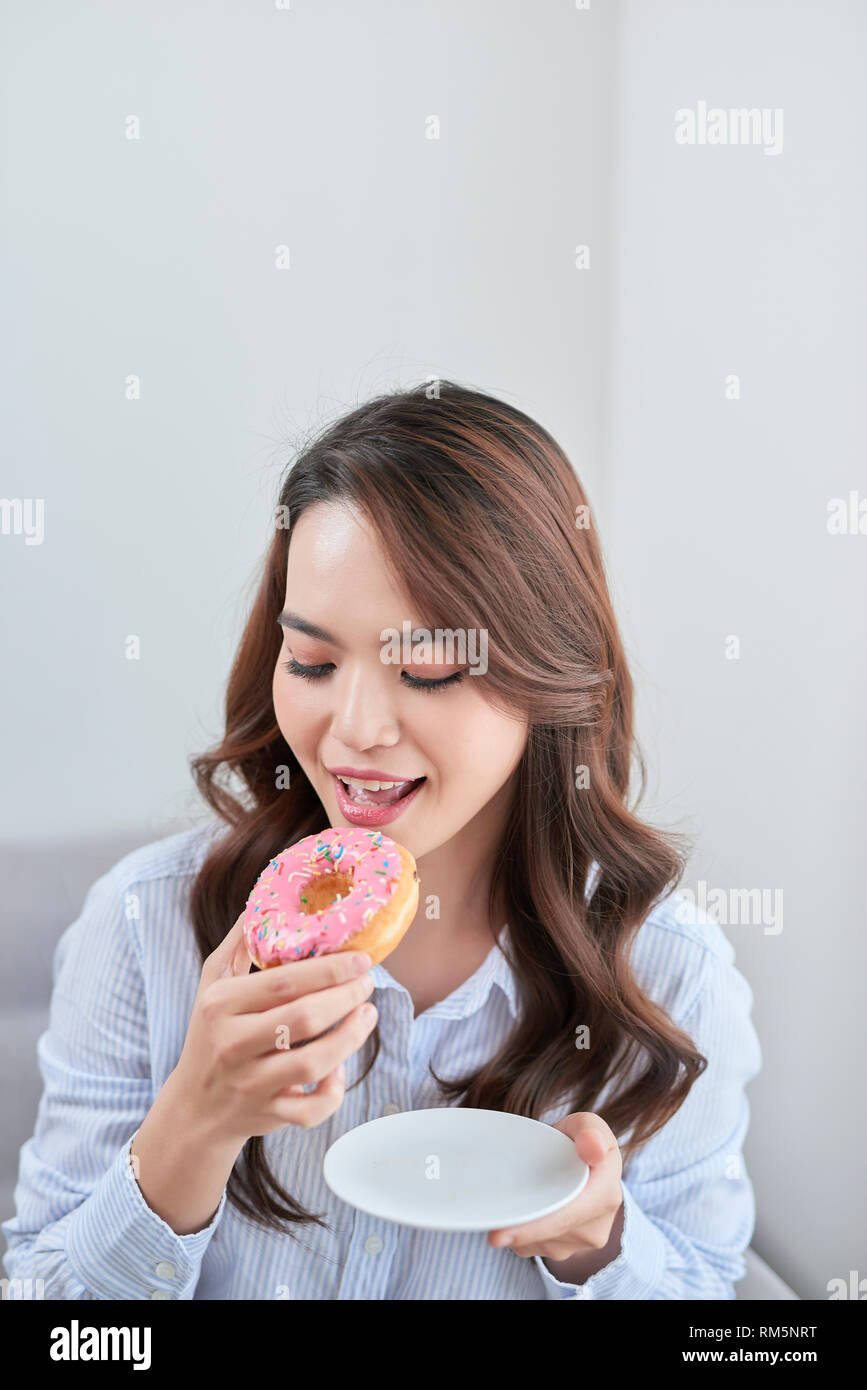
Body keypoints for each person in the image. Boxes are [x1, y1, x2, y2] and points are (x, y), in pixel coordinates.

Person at [2, 380, 761, 1299]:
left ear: (546, 676)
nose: (353, 728)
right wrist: (193, 1127)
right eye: (313, 662)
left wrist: (597, 1246)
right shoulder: (144, 923)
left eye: (427, 669)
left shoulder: (669, 976)